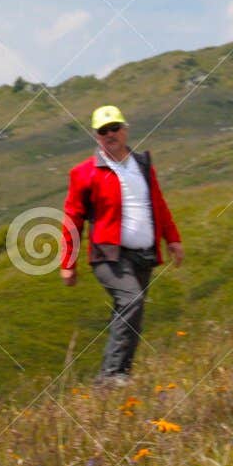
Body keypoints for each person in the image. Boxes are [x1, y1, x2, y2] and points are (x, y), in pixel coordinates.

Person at [59, 104, 185, 386]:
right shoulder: (84, 173)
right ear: (96, 136)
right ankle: (112, 375)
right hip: (108, 255)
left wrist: (172, 239)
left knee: (131, 314)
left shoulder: (142, 164)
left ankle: (116, 379)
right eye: (103, 131)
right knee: (131, 301)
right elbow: (72, 219)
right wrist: (67, 263)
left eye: (115, 128)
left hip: (144, 254)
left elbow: (158, 204)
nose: (110, 134)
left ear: (125, 130)